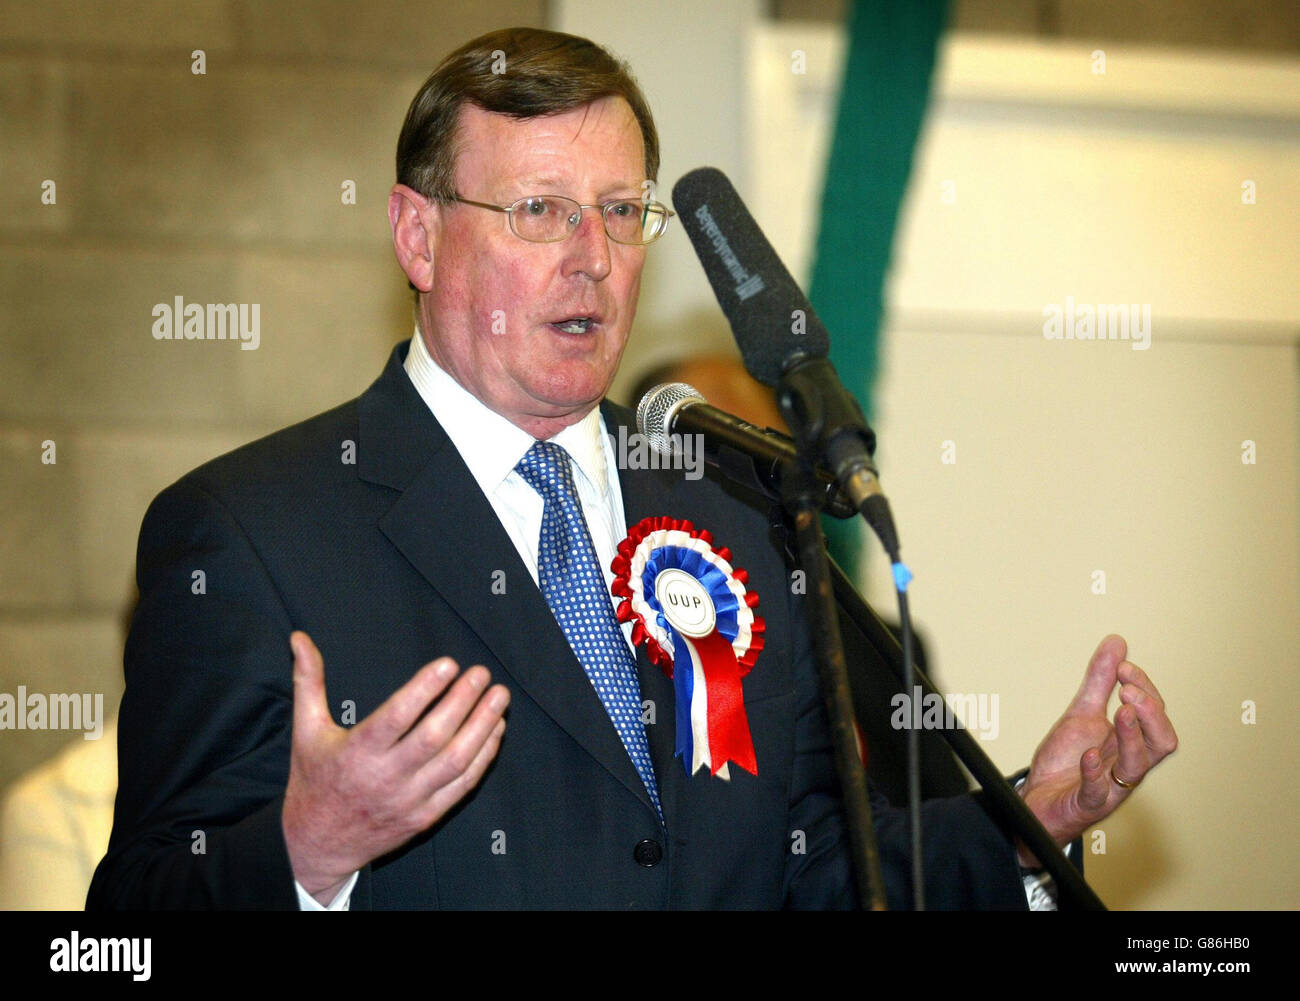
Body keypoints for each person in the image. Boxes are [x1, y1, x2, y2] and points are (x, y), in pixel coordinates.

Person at [87, 27, 1176, 911]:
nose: (592, 258)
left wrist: (1035, 816)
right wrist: (306, 848)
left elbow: (816, 870)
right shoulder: (248, 531)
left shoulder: (736, 517)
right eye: (538, 210)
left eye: (620, 211)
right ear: (417, 238)